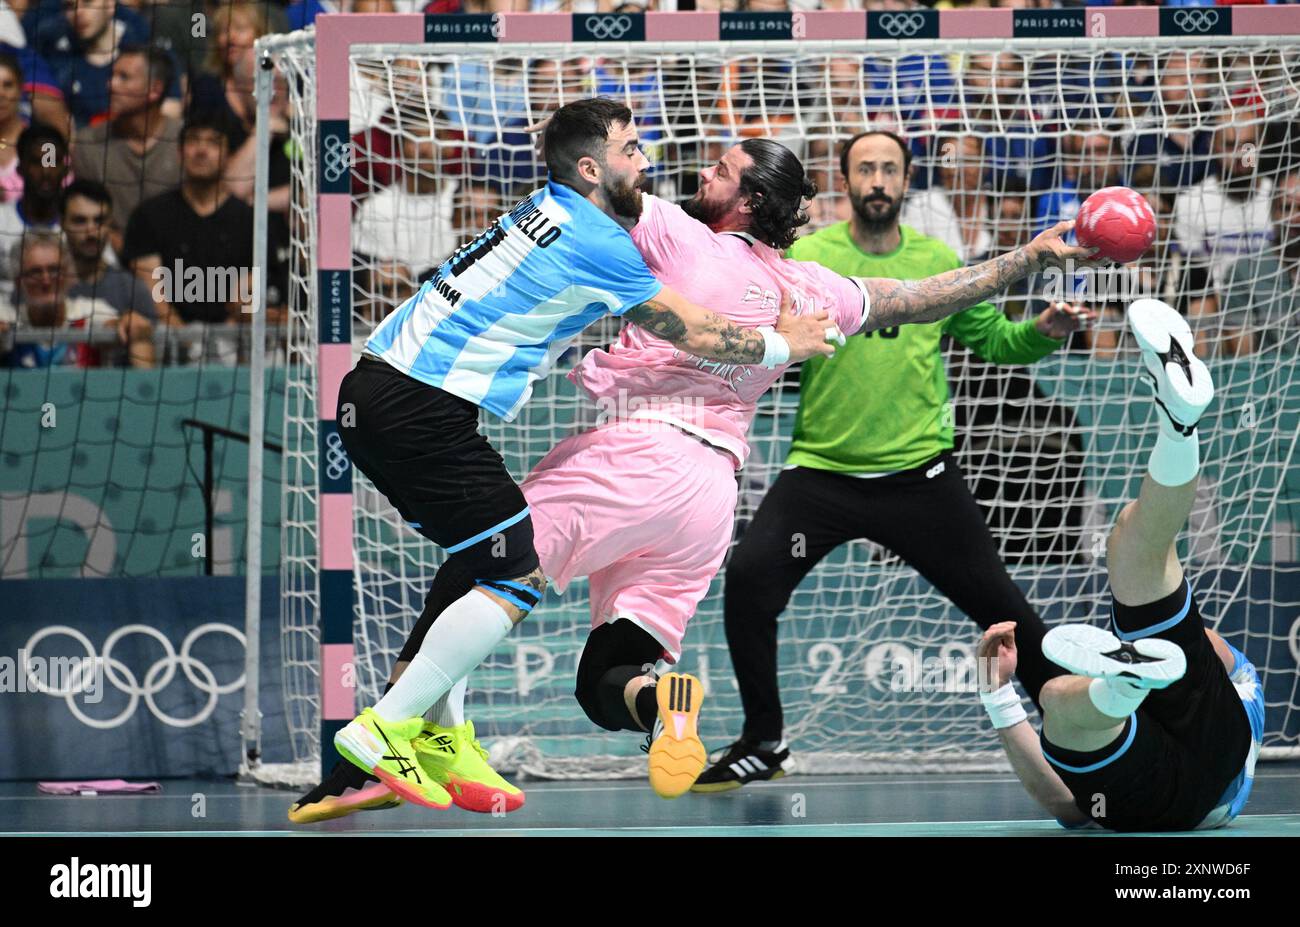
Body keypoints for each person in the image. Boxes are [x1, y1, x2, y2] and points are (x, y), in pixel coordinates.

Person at [289, 118, 1096, 822]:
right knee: (613, 669)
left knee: (489, 559)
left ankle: (380, 742)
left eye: (718, 169)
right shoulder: (817, 284)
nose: (696, 172)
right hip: (710, 498)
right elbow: (925, 295)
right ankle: (653, 704)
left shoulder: (679, 234)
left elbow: (603, 188)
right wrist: (1028, 255)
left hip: (632, 450)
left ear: (743, 202)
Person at [324, 98, 841, 814]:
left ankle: (449, 738)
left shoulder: (549, 207)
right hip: (421, 404)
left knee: (487, 560)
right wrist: (792, 344)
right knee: (513, 570)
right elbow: (697, 330)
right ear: (594, 167)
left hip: (382, 392)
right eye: (633, 150)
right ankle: (387, 724)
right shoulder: (601, 242)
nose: (647, 162)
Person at [694, 129, 1094, 792]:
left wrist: (1042, 333)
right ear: (846, 181)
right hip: (821, 473)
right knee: (749, 582)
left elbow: (993, 340)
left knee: (1009, 612)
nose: (877, 180)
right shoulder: (809, 254)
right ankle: (764, 738)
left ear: (907, 180)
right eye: (864, 169)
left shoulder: (936, 255)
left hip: (921, 479)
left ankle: (1086, 737)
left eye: (889, 169)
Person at [977, 299, 1262, 832]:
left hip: (1160, 785)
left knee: (1133, 537)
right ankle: (1179, 434)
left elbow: (1067, 807)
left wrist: (996, 695)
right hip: (1209, 774)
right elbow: (1213, 650)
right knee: (1065, 693)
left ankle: (1178, 429)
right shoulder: (1237, 675)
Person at [71, 43, 182, 255]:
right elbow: (88, 215)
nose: (110, 85)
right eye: (112, 75)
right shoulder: (89, 144)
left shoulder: (185, 142)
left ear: (155, 90)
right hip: (111, 259)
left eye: (124, 77)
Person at [2, 229, 153, 368]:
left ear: (68, 275)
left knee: (138, 329)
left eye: (54, 270)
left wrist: (126, 321)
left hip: (84, 396)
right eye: (35, 272)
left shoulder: (88, 311)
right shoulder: (7, 316)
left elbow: (111, 325)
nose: (46, 280)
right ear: (18, 281)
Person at [61, 178, 160, 322]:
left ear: (110, 223)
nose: (91, 232)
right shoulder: (41, 284)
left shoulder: (132, 290)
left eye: (99, 221)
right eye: (80, 221)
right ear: (62, 223)